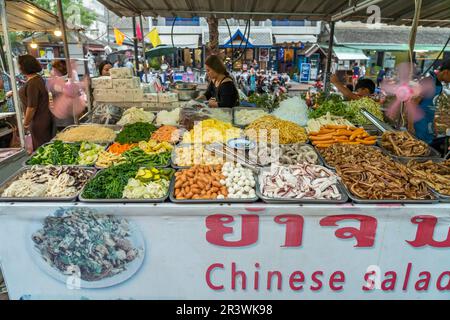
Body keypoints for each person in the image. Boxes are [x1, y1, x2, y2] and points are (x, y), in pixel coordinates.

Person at [17, 55, 52, 150]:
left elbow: (32, 107)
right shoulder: (37, 78)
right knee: (44, 148)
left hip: (38, 121)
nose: (18, 67)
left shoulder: (33, 83)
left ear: (24, 66)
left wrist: (25, 123)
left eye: (19, 65)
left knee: (42, 150)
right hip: (42, 119)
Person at [412, 59, 450, 145]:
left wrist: (434, 126)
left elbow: (431, 106)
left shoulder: (439, 85)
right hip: (418, 124)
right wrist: (410, 125)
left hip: (428, 124)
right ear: (446, 72)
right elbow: (413, 103)